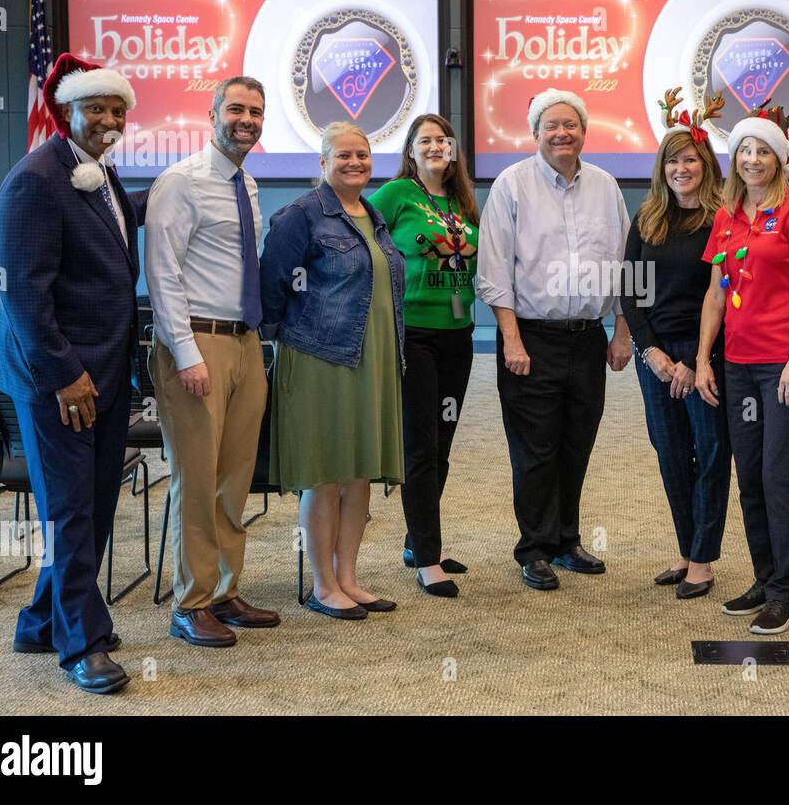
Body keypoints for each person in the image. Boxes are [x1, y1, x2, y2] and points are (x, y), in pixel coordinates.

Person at [0, 54, 140, 694]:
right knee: (70, 512)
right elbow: (24, 295)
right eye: (96, 108)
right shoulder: (35, 179)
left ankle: (38, 621)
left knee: (94, 505)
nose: (108, 119)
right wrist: (64, 375)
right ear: (67, 111)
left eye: (118, 110)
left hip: (105, 374)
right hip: (59, 380)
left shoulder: (102, 176)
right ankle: (81, 641)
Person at [475, 88, 633, 591]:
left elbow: (625, 263)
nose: (562, 133)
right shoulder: (511, 185)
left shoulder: (606, 187)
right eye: (552, 125)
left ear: (584, 132)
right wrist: (511, 340)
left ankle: (567, 540)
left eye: (571, 125)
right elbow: (494, 268)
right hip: (531, 340)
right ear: (535, 132)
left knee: (576, 444)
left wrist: (621, 332)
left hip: (588, 338)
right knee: (535, 449)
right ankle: (535, 547)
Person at [145, 75, 280, 646]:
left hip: (245, 342)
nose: (245, 120)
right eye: (235, 109)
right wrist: (186, 353)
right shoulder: (181, 181)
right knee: (196, 480)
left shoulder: (246, 183)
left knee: (233, 478)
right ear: (211, 112)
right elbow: (162, 273)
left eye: (255, 111)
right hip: (196, 346)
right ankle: (190, 602)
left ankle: (224, 591)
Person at [261, 122, 407, 619]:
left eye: (362, 155)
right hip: (319, 359)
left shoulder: (373, 215)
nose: (354, 163)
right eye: (343, 155)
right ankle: (323, 585)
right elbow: (272, 287)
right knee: (324, 474)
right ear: (322, 163)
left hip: (374, 358)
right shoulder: (301, 215)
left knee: (359, 471)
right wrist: (294, 341)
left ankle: (349, 577)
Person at [694, 96, 789, 635]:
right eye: (744, 149)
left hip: (786, 366)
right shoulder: (725, 217)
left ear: (778, 160)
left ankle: (784, 593)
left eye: (762, 151)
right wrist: (703, 358)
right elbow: (715, 295)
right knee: (748, 475)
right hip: (738, 365)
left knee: (777, 476)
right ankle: (763, 576)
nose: (752, 158)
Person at [622, 88, 730, 600]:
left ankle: (703, 561)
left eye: (690, 159)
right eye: (672, 160)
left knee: (710, 453)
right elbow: (631, 290)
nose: (681, 168)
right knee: (670, 452)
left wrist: (692, 360)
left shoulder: (723, 222)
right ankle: (687, 549)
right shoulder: (647, 219)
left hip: (707, 355)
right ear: (661, 168)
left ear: (706, 164)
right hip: (655, 357)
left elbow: (728, 294)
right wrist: (652, 353)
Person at [368, 114, 478, 598]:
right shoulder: (395, 196)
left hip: (459, 332)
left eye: (443, 140)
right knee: (420, 445)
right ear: (411, 151)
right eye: (425, 141)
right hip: (413, 334)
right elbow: (361, 239)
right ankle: (428, 560)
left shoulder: (461, 202)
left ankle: (419, 541)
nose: (435, 147)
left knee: (442, 444)